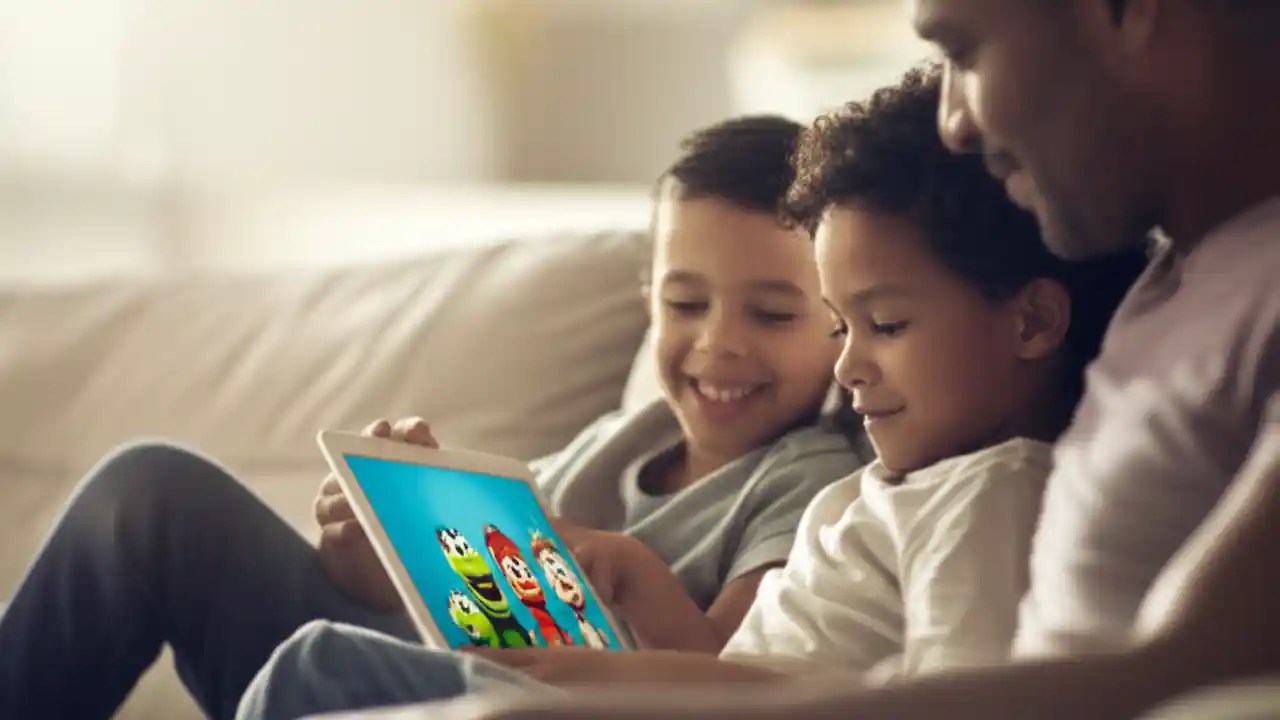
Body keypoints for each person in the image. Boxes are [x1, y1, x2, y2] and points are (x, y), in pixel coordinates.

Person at [431, 0, 1280, 716]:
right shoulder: (1165, 288)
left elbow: (1177, 678)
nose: (956, 121)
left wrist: (624, 699)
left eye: (964, 49)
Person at [233, 66, 1147, 719]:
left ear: (1031, 323)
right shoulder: (895, 490)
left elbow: (946, 701)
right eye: (845, 324)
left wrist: (614, 682)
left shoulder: (989, 490)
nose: (847, 366)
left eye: (888, 326)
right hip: (632, 694)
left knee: (320, 670)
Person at [0, 115, 869, 720]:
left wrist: (634, 574)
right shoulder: (621, 442)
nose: (718, 345)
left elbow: (739, 680)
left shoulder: (811, 477)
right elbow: (443, 611)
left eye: (771, 314)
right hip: (436, 668)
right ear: (648, 299)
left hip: (528, 705)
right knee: (149, 490)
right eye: (686, 303)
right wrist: (370, 547)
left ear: (841, 320)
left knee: (318, 664)